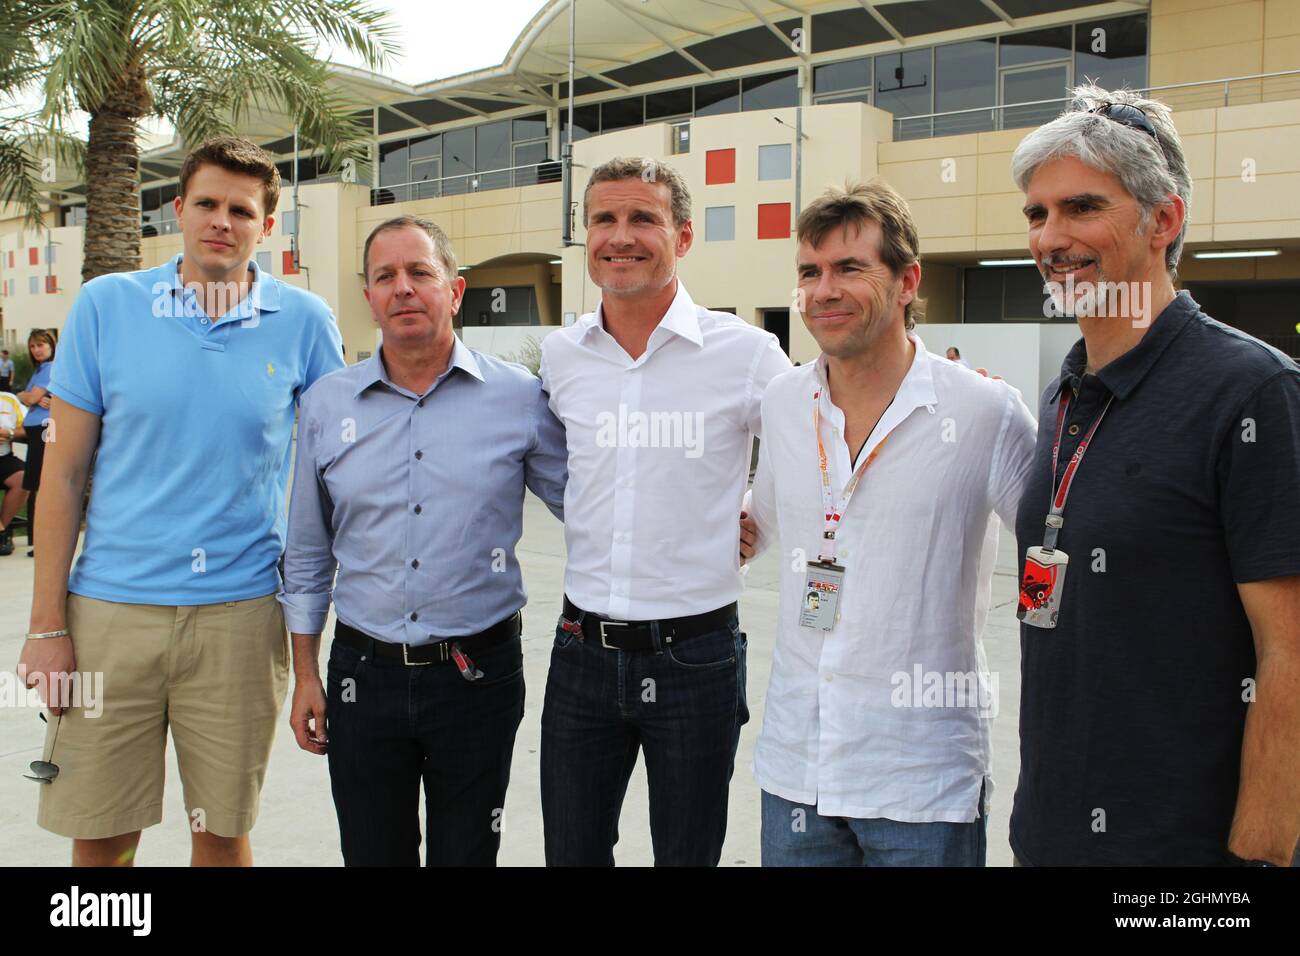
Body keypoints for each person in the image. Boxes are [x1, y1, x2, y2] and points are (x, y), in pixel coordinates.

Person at [16, 136, 344, 867]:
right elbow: (63, 474)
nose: (221, 221)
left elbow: (337, 469)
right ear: (178, 209)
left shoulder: (305, 321)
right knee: (101, 832)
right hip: (107, 615)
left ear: (266, 226)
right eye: (207, 203)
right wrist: (46, 628)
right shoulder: (108, 306)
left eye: (242, 209)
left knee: (220, 831)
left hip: (241, 617)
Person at [1009, 84, 1300, 866]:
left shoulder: (1252, 391)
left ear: (1163, 219)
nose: (1052, 236)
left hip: (1185, 853)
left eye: (1081, 208)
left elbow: (1291, 649)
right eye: (1037, 214)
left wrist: (1260, 851)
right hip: (1052, 832)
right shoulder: (1068, 392)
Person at [741, 181, 1036, 866]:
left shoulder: (985, 412)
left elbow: (1062, 548)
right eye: (810, 273)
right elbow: (762, 526)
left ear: (908, 281)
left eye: (850, 268)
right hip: (796, 770)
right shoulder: (783, 402)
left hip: (920, 782)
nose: (824, 290)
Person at [280, 216, 567, 866]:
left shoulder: (520, 400)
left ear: (456, 290)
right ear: (369, 296)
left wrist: (717, 515)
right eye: (386, 276)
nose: (403, 288)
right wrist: (305, 675)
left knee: (467, 855)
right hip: (362, 675)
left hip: (479, 674)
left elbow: (592, 503)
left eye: (420, 273)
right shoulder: (327, 405)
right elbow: (306, 553)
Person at [539, 156, 792, 865]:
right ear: (586, 236)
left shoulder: (745, 353)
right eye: (604, 220)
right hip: (579, 651)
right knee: (571, 855)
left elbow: (816, 443)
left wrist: (755, 516)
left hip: (696, 656)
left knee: (687, 854)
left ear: (682, 237)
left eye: (642, 218)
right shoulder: (563, 357)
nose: (621, 236)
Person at [16, 330, 56, 557]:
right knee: (34, 485)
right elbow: (27, 396)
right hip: (35, 432)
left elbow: (30, 398)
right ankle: (37, 540)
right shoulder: (40, 370)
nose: (37, 350)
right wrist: (26, 394)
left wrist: (26, 395)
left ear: (51, 345)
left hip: (43, 430)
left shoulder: (49, 369)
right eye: (33, 346)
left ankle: (40, 541)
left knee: (39, 485)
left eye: (41, 345)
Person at [0, 388, 27, 555]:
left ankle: (2, 527)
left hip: (3, 457)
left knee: (24, 479)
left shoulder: (8, 400)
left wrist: (9, 433)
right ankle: (2, 534)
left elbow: (30, 428)